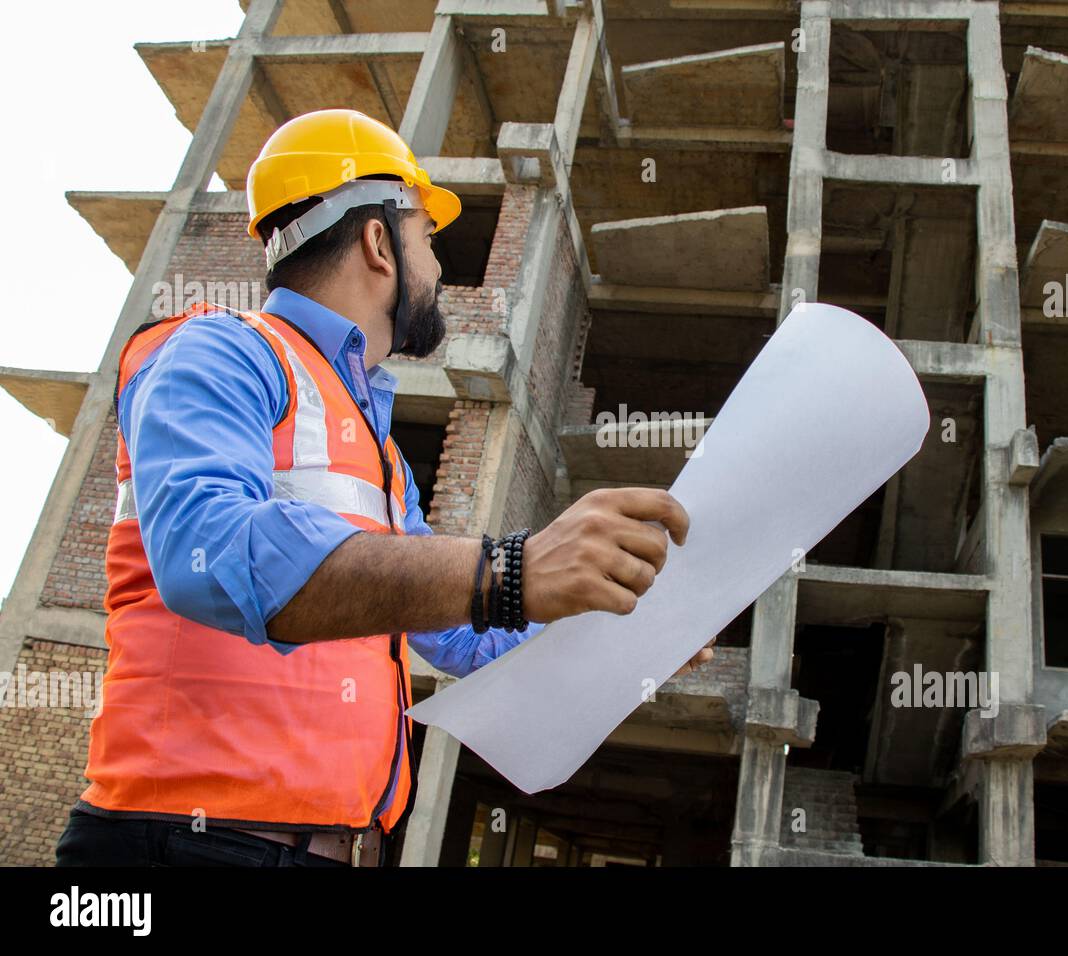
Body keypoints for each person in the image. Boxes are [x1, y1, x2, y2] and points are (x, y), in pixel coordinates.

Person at [54, 108, 711, 867]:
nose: (436, 266)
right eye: (428, 238)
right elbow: (207, 548)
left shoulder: (377, 455)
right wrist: (508, 567)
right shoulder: (221, 354)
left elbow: (468, 633)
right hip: (179, 845)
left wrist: (625, 628)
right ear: (377, 241)